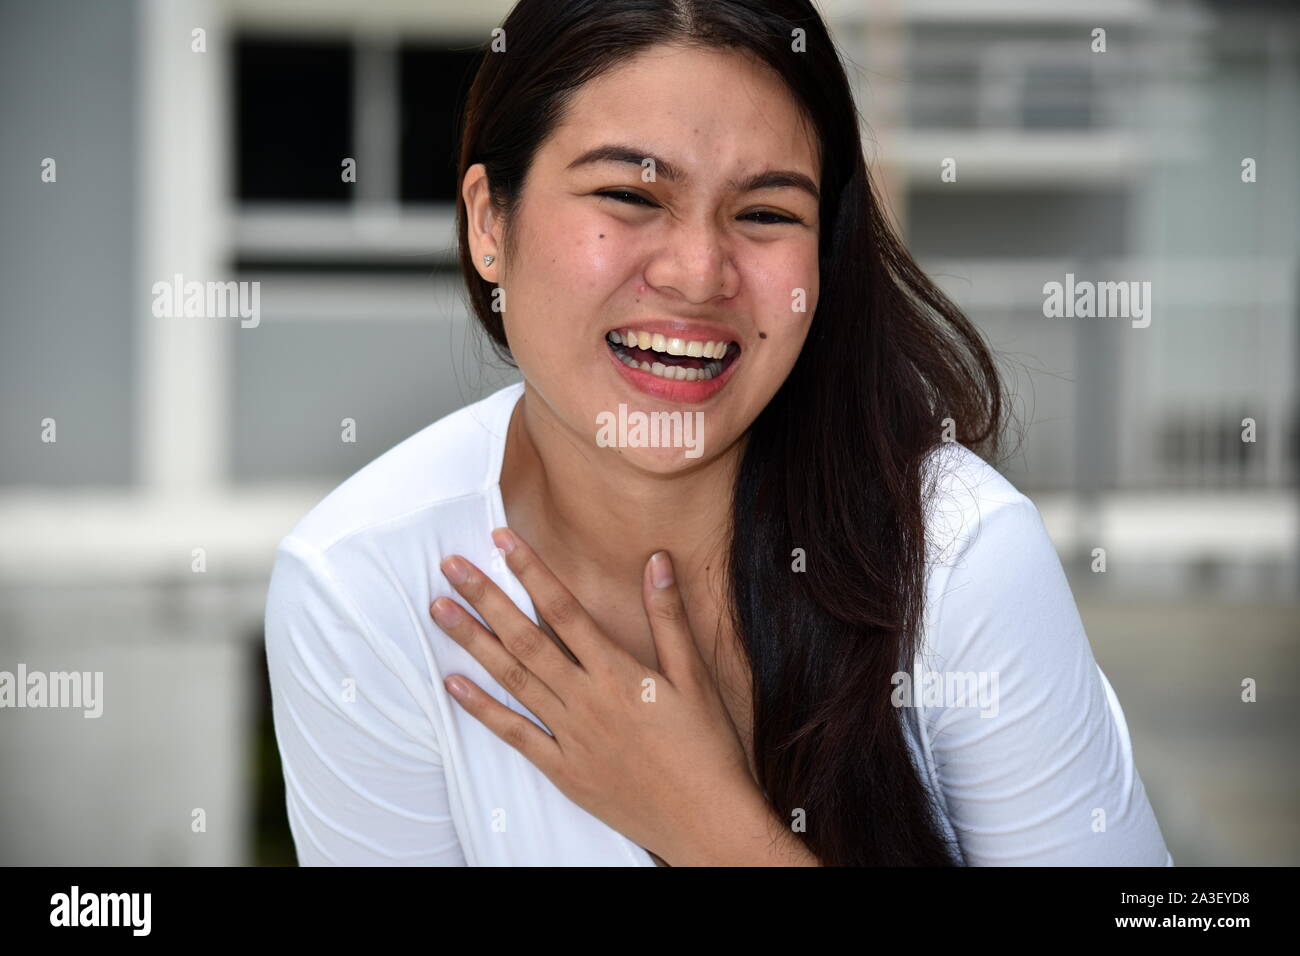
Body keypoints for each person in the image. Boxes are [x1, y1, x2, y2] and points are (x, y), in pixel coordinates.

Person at [264, 0, 1173, 866]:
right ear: (488, 221)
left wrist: (708, 825)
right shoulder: (360, 584)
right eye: (629, 193)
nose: (700, 273)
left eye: (767, 213)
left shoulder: (957, 559)